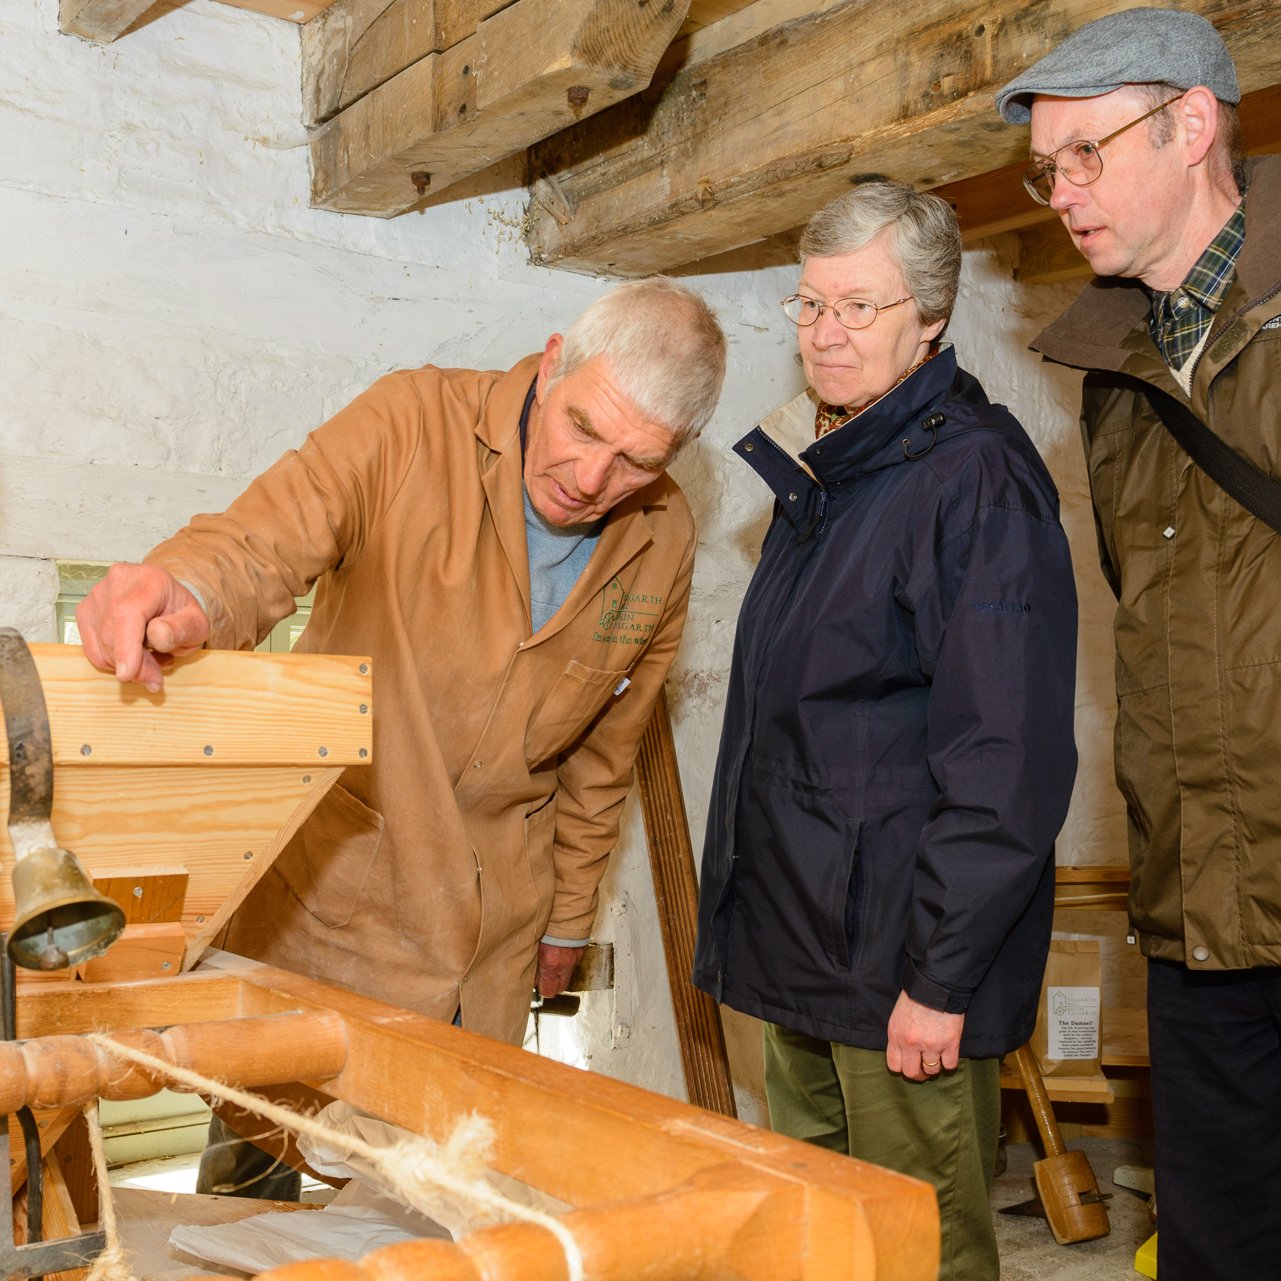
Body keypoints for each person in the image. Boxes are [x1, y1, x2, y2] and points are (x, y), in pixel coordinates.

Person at [77, 276, 727, 1197]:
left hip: (493, 935)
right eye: (583, 428)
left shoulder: (664, 540)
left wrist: (568, 917)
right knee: (257, 1175)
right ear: (552, 362)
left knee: (432, 1200)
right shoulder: (411, 423)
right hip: (339, 899)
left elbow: (605, 754)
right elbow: (261, 540)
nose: (589, 480)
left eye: (634, 461)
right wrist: (187, 591)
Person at [692, 181, 1078, 1279]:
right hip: (805, 942)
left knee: (917, 1247)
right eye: (811, 304)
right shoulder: (833, 468)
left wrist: (941, 979)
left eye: (860, 306)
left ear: (931, 317)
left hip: (897, 965)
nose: (826, 332)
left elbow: (1006, 757)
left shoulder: (976, 480)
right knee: (819, 1240)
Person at [996, 9, 1280, 1278]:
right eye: (1045, 169)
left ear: (1194, 125)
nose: (1062, 192)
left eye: (1087, 154)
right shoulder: (1115, 378)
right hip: (1199, 911)